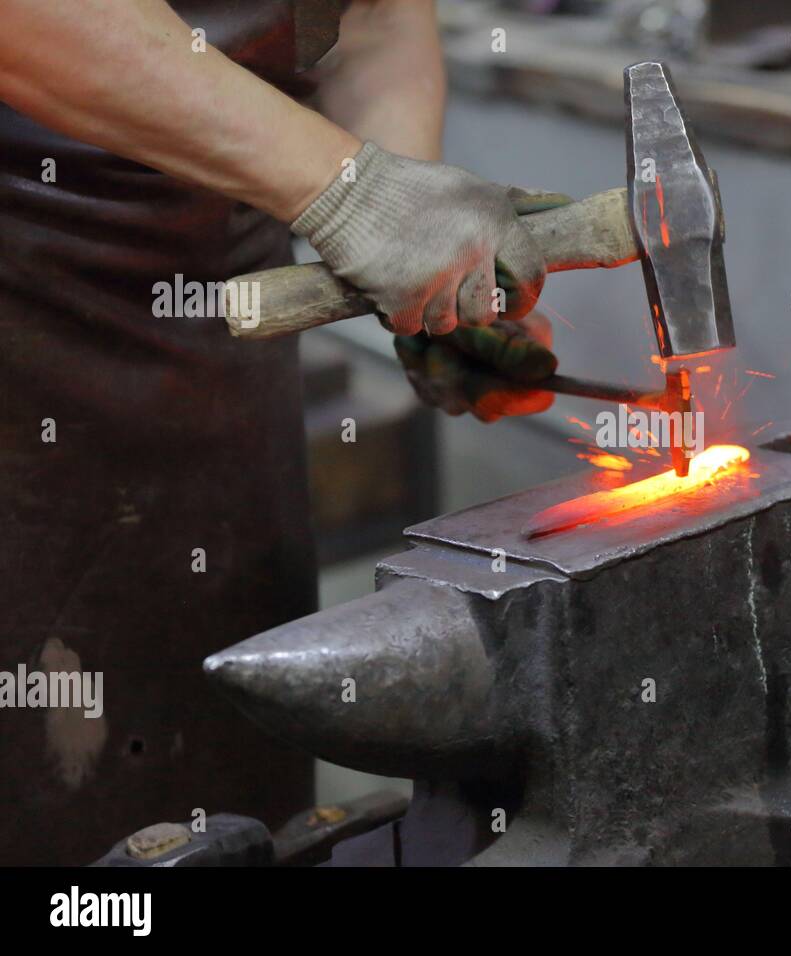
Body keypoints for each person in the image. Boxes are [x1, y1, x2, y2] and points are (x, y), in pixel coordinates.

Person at [0, 0, 557, 865]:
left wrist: (415, 253)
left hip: (217, 320)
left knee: (223, 772)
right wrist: (350, 194)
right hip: (19, 287)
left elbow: (371, 25)